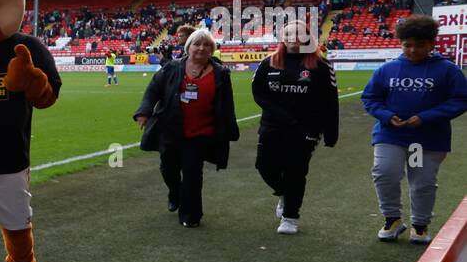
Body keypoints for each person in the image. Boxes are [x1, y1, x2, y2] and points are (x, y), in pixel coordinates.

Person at [361, 14, 467, 243]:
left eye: (419, 45)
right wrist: (387, 117)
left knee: (422, 182)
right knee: (385, 173)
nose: (413, 50)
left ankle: (420, 224)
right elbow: (370, 98)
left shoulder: (447, 70)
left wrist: (426, 117)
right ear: (401, 43)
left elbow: (460, 100)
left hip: (426, 138)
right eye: (407, 45)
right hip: (391, 135)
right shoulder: (387, 69)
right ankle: (393, 219)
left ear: (431, 44)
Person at [132, 28, 239, 228]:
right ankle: (175, 191)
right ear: (188, 47)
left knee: (192, 172)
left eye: (206, 45)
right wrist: (144, 112)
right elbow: (153, 89)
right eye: (197, 44)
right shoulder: (172, 67)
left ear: (212, 49)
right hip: (171, 129)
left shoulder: (221, 73)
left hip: (201, 131)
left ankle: (191, 215)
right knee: (168, 168)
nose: (201, 48)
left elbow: (226, 103)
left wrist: (229, 127)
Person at [251, 19, 339, 234]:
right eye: (289, 34)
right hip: (273, 126)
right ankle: (284, 194)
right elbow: (259, 94)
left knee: (295, 172)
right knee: (265, 167)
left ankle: (290, 217)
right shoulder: (269, 62)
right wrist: (280, 114)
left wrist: (330, 132)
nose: (293, 38)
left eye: (299, 34)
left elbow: (330, 102)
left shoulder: (322, 66)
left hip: (305, 129)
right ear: (283, 37)